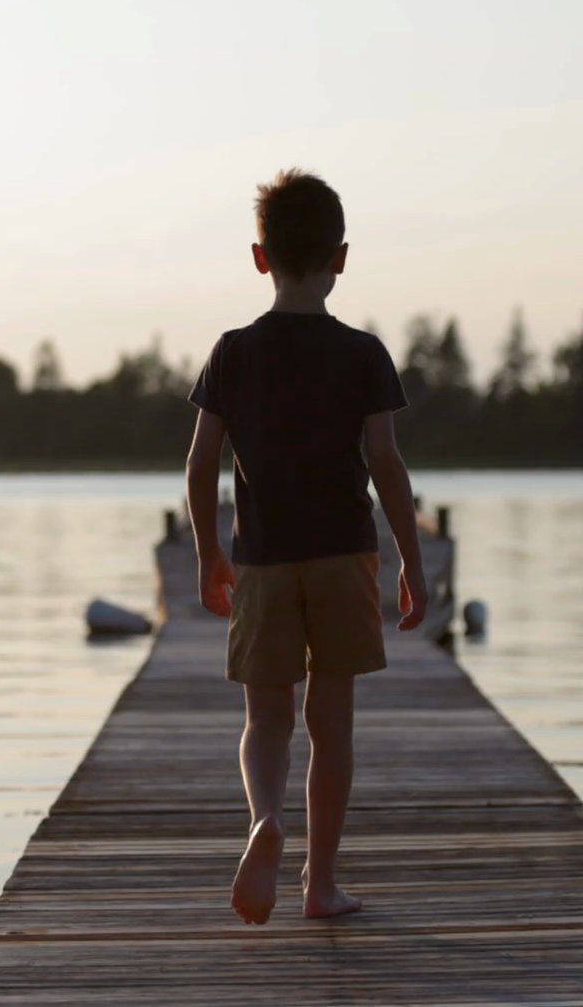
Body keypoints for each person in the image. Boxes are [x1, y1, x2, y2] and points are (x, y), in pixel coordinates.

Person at [184, 168, 428, 926]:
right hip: (343, 554)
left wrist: (205, 555)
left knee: (266, 718)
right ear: (341, 257)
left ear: (261, 257)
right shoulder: (363, 354)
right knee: (333, 721)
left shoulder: (232, 352)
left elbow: (199, 465)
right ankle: (319, 885)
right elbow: (386, 464)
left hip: (261, 555)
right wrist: (411, 563)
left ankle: (265, 818)